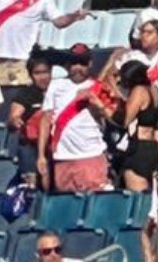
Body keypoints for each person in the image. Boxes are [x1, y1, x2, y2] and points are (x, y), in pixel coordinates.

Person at [37, 44, 112, 192]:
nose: (78, 67)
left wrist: (96, 102)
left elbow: (110, 117)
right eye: (74, 63)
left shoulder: (97, 87)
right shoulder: (56, 85)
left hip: (90, 155)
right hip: (63, 156)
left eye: (82, 63)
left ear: (89, 64)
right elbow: (46, 120)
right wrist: (41, 155)